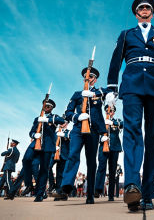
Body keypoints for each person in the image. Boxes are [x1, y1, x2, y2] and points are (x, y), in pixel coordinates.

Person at [106, 0, 154, 211]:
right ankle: (131, 185)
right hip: (131, 85)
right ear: (136, 13)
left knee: (153, 137)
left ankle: (147, 192)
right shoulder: (126, 34)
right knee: (131, 132)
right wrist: (112, 87)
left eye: (148, 7)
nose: (145, 10)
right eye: (141, 8)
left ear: (152, 12)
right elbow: (115, 60)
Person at [53, 67, 108, 204]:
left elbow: (112, 92)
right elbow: (68, 113)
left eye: (90, 77)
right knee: (73, 154)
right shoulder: (77, 94)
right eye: (86, 77)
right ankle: (65, 186)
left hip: (93, 130)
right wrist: (78, 116)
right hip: (78, 129)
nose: (88, 79)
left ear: (95, 79)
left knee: (91, 161)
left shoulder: (98, 93)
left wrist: (97, 93)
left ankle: (90, 194)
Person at [25, 99, 66, 202]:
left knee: (43, 170)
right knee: (26, 160)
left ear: (51, 108)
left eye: (48, 106)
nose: (46, 108)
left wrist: (47, 120)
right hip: (35, 145)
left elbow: (62, 121)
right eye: (45, 106)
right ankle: (29, 185)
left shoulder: (54, 117)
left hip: (47, 146)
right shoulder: (37, 118)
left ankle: (39, 194)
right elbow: (31, 132)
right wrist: (35, 135)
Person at [94, 105, 123, 201]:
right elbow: (95, 132)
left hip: (114, 147)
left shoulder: (117, 121)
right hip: (103, 147)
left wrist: (112, 122)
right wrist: (100, 138)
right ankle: (97, 190)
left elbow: (123, 124)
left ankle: (111, 194)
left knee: (112, 170)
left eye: (110, 111)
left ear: (113, 112)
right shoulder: (100, 121)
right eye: (107, 111)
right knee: (101, 167)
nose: (109, 113)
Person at [48, 122, 70, 201]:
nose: (62, 124)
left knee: (60, 175)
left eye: (64, 123)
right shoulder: (55, 133)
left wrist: (64, 135)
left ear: (66, 124)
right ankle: (52, 185)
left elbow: (72, 139)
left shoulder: (68, 132)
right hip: (54, 154)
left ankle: (59, 193)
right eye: (61, 123)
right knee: (48, 167)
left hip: (63, 155)